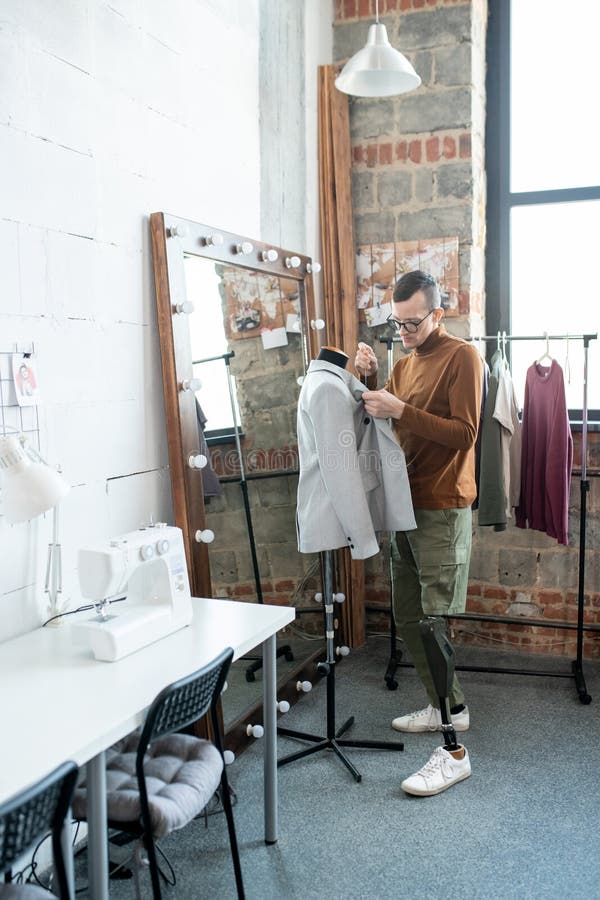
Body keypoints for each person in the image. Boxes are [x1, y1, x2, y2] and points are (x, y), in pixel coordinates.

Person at [355, 270, 482, 796]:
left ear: (438, 314)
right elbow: (393, 426)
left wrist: (400, 407)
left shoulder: (463, 357)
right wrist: (370, 382)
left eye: (413, 322)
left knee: (431, 620)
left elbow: (464, 433)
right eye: (397, 321)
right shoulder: (404, 364)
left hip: (442, 505)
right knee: (407, 616)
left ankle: (454, 750)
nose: (403, 330)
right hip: (404, 505)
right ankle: (447, 704)